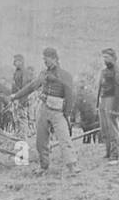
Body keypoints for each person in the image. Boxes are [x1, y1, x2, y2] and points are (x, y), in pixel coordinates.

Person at [12, 47, 81, 175]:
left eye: (46, 59)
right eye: (43, 59)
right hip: (44, 109)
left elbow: (70, 97)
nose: (44, 61)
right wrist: (16, 96)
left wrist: (66, 114)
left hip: (58, 111)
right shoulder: (43, 74)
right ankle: (44, 166)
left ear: (54, 59)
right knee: (41, 140)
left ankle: (72, 166)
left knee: (64, 139)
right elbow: (32, 86)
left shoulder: (65, 75)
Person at [96, 48, 119, 163]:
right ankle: (108, 152)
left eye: (107, 57)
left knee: (113, 128)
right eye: (104, 57)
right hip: (103, 100)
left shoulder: (118, 71)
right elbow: (100, 87)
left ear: (113, 58)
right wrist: (98, 104)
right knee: (105, 128)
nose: (105, 60)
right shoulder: (103, 71)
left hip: (112, 100)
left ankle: (115, 155)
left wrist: (116, 108)